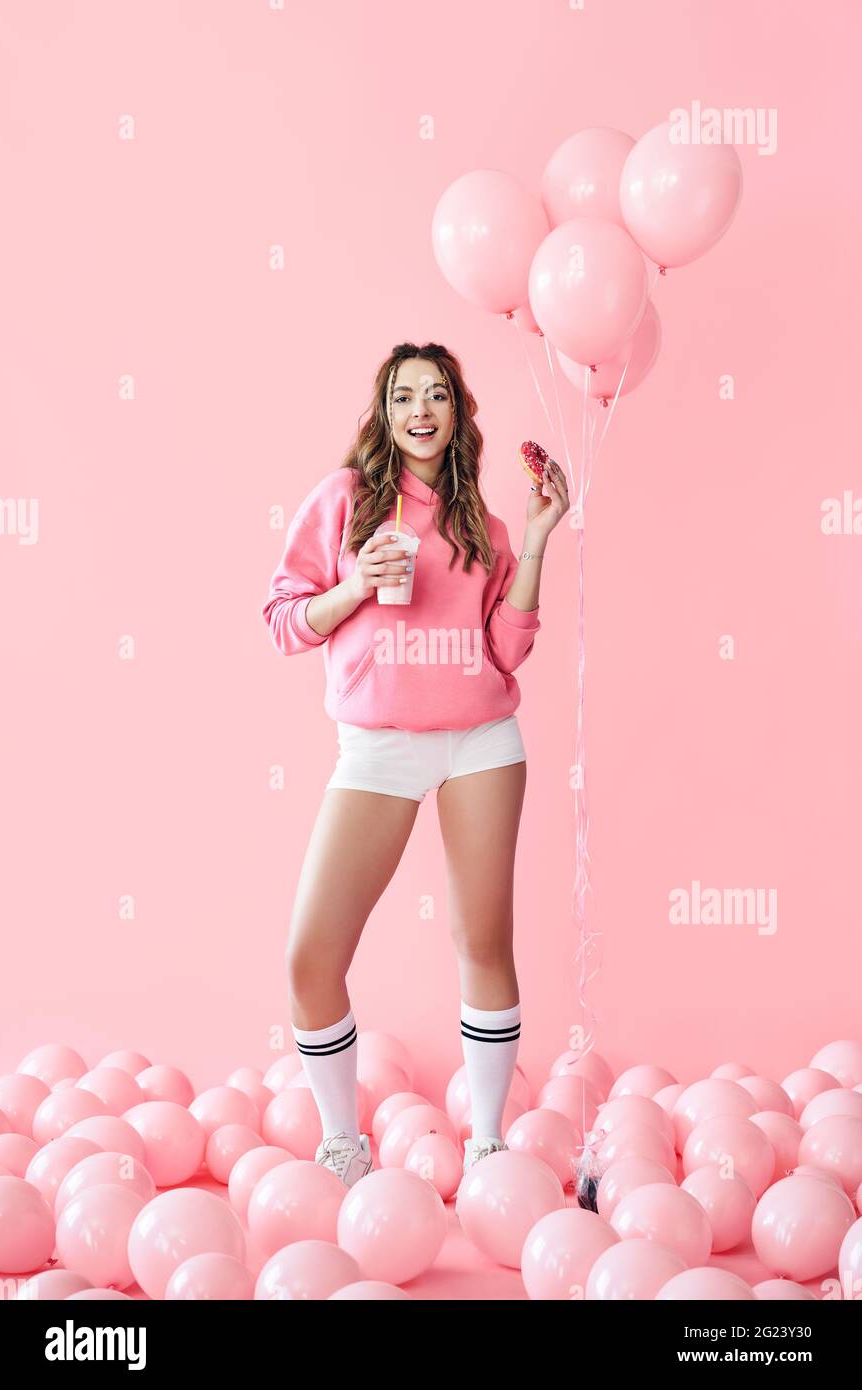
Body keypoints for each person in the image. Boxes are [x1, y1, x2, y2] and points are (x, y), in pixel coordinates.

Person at [261, 341, 569, 1186]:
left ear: (456, 412)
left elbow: (505, 651)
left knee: (481, 939)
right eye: (404, 397)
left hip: (479, 740)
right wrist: (356, 582)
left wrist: (536, 541)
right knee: (311, 955)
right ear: (385, 413)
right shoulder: (346, 502)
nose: (421, 411)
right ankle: (342, 1144)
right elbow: (283, 620)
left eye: (437, 395)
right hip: (376, 747)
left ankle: (487, 1144)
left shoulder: (485, 525)